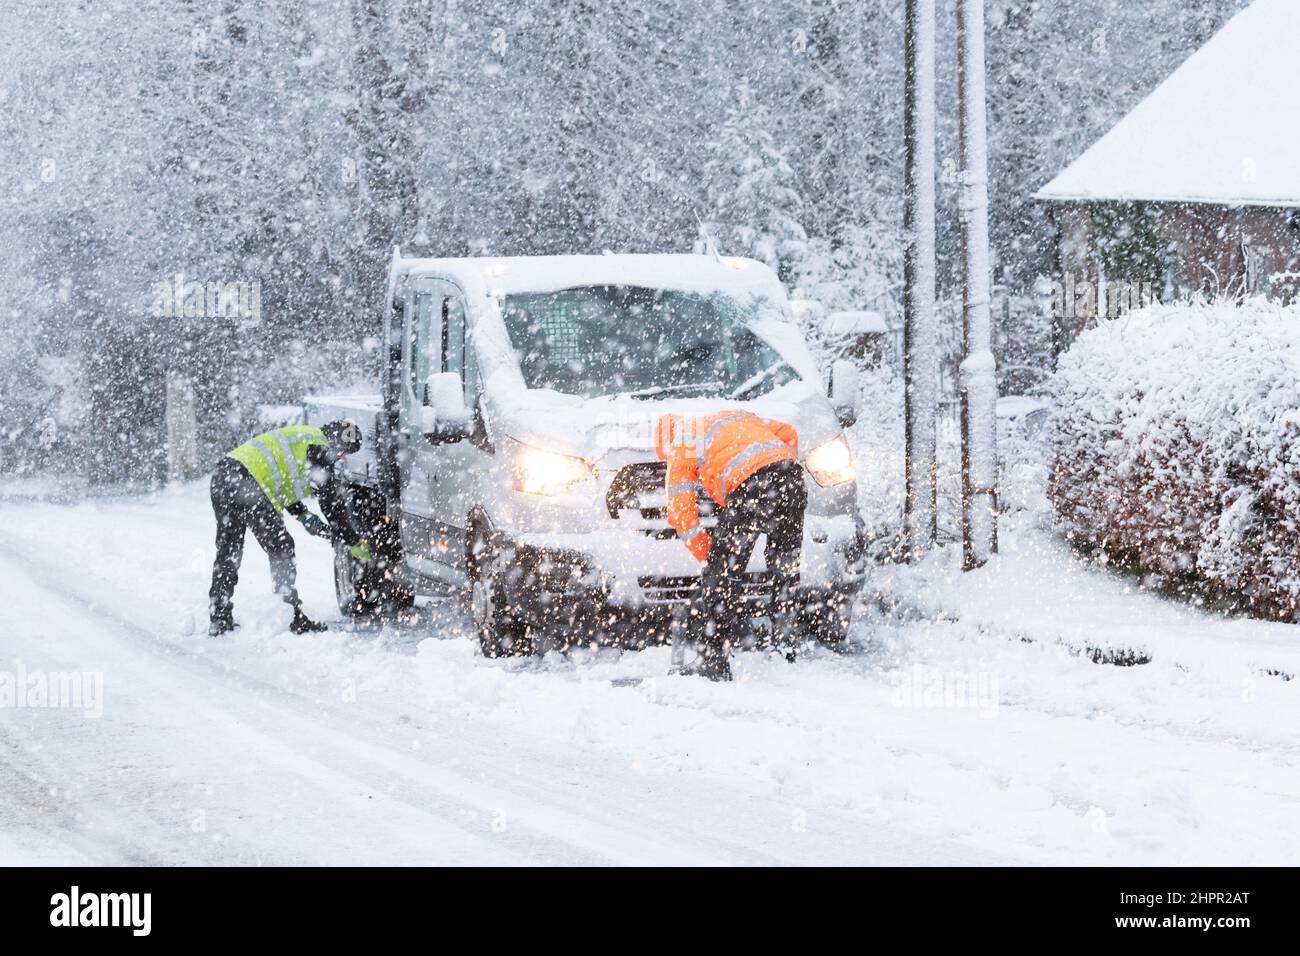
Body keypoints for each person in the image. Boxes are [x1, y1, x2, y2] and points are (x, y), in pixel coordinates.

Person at [654, 410, 806, 681]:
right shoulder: (736, 417)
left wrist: (709, 556)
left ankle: (713, 661)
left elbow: (680, 515)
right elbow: (789, 433)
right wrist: (777, 471)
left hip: (752, 485)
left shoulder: (684, 440)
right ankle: (786, 645)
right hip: (791, 476)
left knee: (722, 579)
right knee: (785, 567)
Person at [207, 420, 365, 636]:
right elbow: (330, 503)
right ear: (337, 442)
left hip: (224, 475)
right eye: (344, 451)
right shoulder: (320, 447)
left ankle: (219, 616)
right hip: (246, 482)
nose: (341, 457)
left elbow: (281, 483)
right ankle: (291, 615)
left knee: (229, 549)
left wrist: (303, 515)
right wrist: (352, 540)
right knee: (281, 546)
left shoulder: (304, 440)